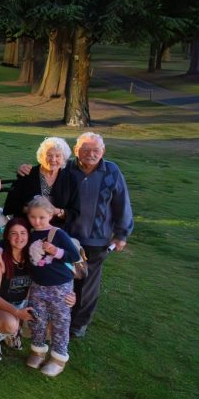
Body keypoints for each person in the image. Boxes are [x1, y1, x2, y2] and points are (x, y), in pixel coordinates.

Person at [65, 133, 133, 337]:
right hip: (66, 237)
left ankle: (78, 324)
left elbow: (122, 203)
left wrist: (121, 234)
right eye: (85, 150)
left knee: (87, 285)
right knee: (62, 280)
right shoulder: (67, 168)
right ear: (76, 150)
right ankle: (58, 317)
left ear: (103, 152)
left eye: (96, 150)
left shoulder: (111, 171)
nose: (90, 154)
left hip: (96, 239)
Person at [22, 196, 81, 377]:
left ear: (50, 215)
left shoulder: (58, 234)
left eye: (41, 217)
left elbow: (73, 255)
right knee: (37, 318)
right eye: (33, 217)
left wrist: (56, 251)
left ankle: (58, 358)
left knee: (61, 321)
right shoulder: (30, 233)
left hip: (60, 286)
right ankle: (38, 351)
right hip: (38, 286)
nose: (37, 221)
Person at [0, 217, 35, 361]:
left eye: (23, 233)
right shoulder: (0, 262)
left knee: (43, 317)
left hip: (19, 302)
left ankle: (12, 331)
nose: (19, 238)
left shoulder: (33, 257)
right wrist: (17, 313)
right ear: (7, 236)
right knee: (11, 324)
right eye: (14, 233)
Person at [3, 136, 78, 229]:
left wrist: (57, 211)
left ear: (64, 159)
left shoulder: (71, 180)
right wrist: (32, 210)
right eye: (49, 155)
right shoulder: (27, 174)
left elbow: (76, 213)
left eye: (58, 156)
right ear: (41, 156)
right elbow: (10, 206)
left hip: (57, 233)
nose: (53, 159)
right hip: (26, 233)